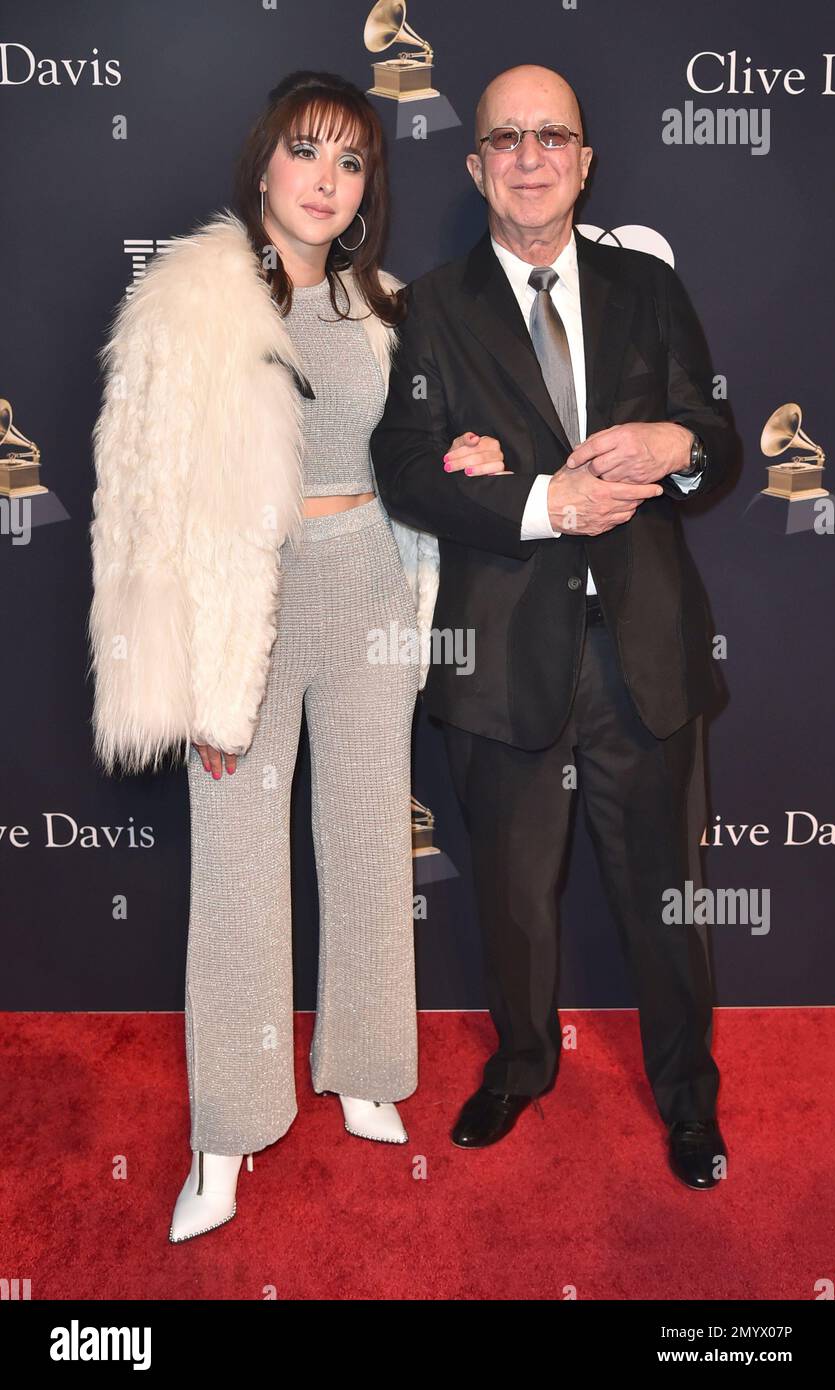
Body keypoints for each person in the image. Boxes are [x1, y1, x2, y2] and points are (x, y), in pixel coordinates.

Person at [370, 64, 740, 1189]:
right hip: (499, 658)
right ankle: (522, 1066)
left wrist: (676, 449)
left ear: (583, 161)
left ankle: (687, 1099)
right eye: (506, 139)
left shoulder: (647, 286)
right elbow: (403, 470)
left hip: (646, 651)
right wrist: (541, 499)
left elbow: (718, 435)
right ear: (476, 164)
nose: (530, 157)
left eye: (552, 137)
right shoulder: (427, 307)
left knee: (666, 900)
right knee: (512, 899)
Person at [86, 70, 440, 1243]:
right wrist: (177, 667)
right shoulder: (188, 299)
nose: (327, 181)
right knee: (238, 874)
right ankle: (226, 1131)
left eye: (350, 163)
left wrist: (465, 459)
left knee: (363, 840)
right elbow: (140, 500)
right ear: (263, 163)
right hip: (245, 605)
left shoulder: (375, 305)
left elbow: (403, 457)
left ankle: (365, 1065)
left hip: (363, 586)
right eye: (307, 152)